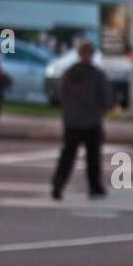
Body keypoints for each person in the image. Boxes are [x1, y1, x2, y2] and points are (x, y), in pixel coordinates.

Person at [51, 40, 113, 199]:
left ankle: (58, 183)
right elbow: (105, 98)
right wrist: (103, 109)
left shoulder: (69, 73)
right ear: (91, 55)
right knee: (92, 156)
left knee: (68, 154)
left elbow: (61, 94)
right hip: (91, 120)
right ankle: (94, 186)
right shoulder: (96, 74)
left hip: (72, 120)